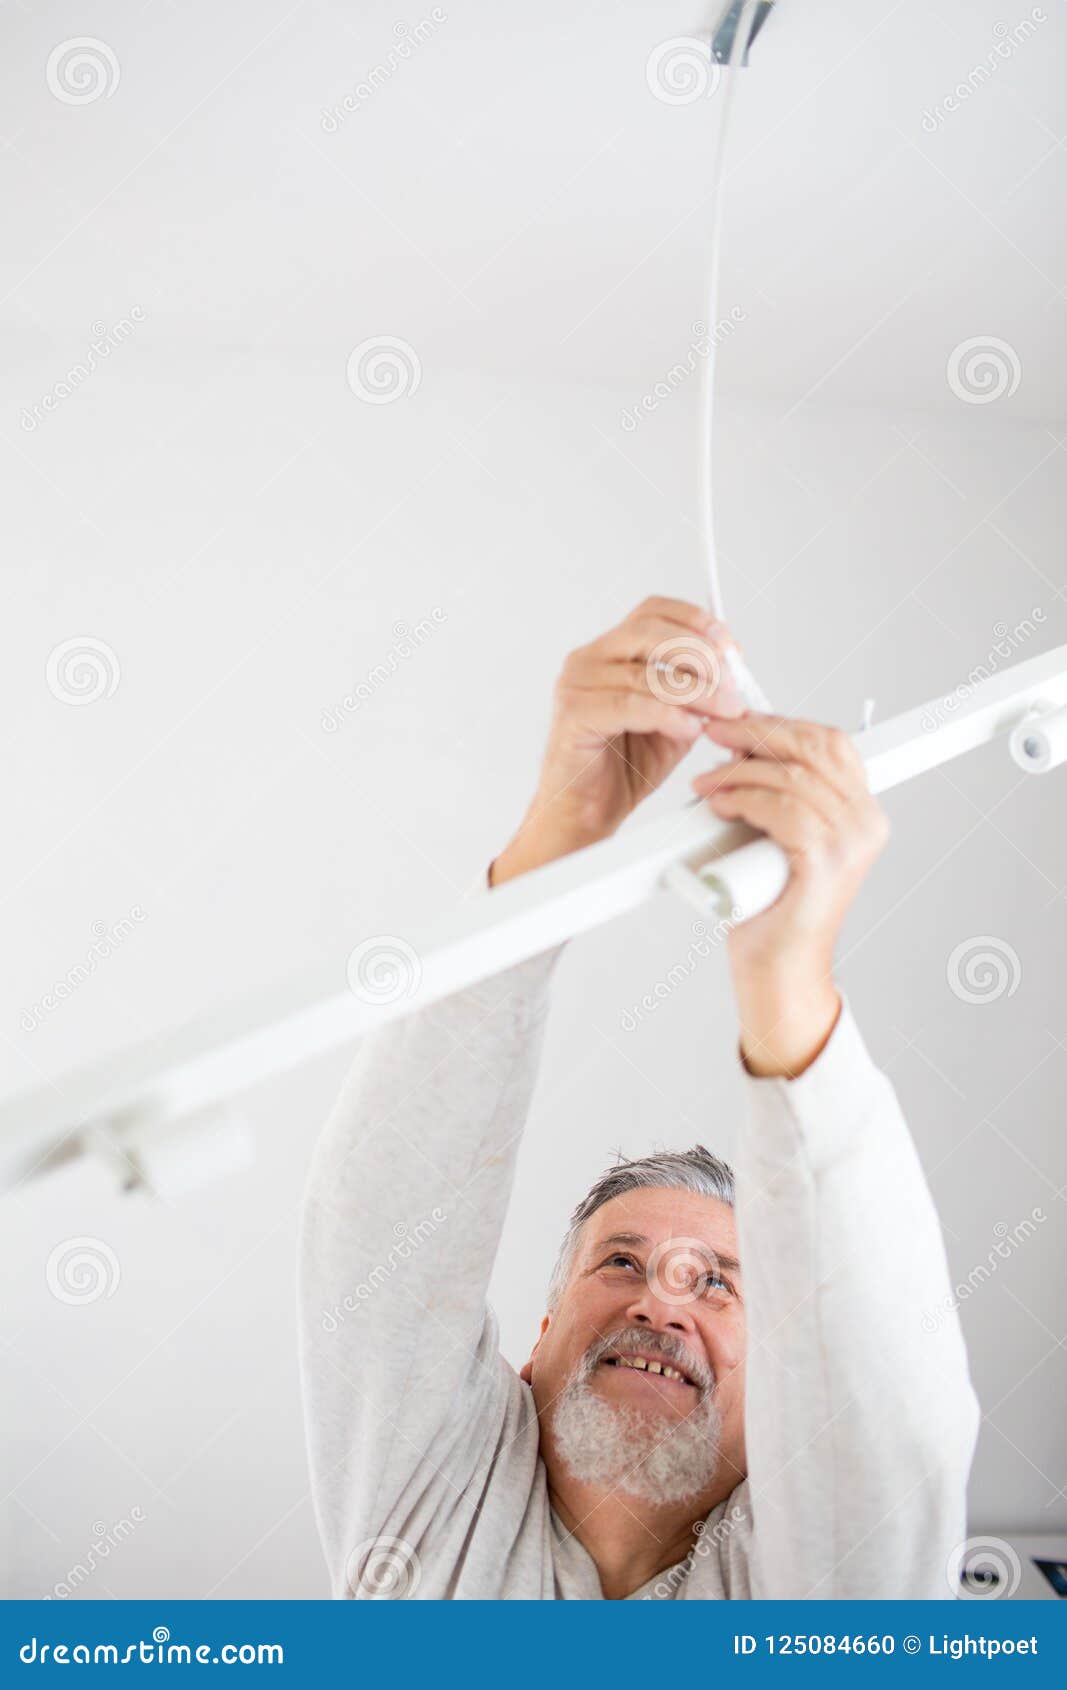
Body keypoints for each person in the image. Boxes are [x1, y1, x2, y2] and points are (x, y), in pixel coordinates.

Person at [299, 596, 979, 1600]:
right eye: (619, 1262)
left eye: (717, 1282)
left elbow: (886, 1429)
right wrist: (552, 851)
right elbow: (377, 1242)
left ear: (778, 1402)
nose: (659, 1297)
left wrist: (786, 982)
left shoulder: (810, 1605)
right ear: (533, 1349)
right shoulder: (431, 1522)